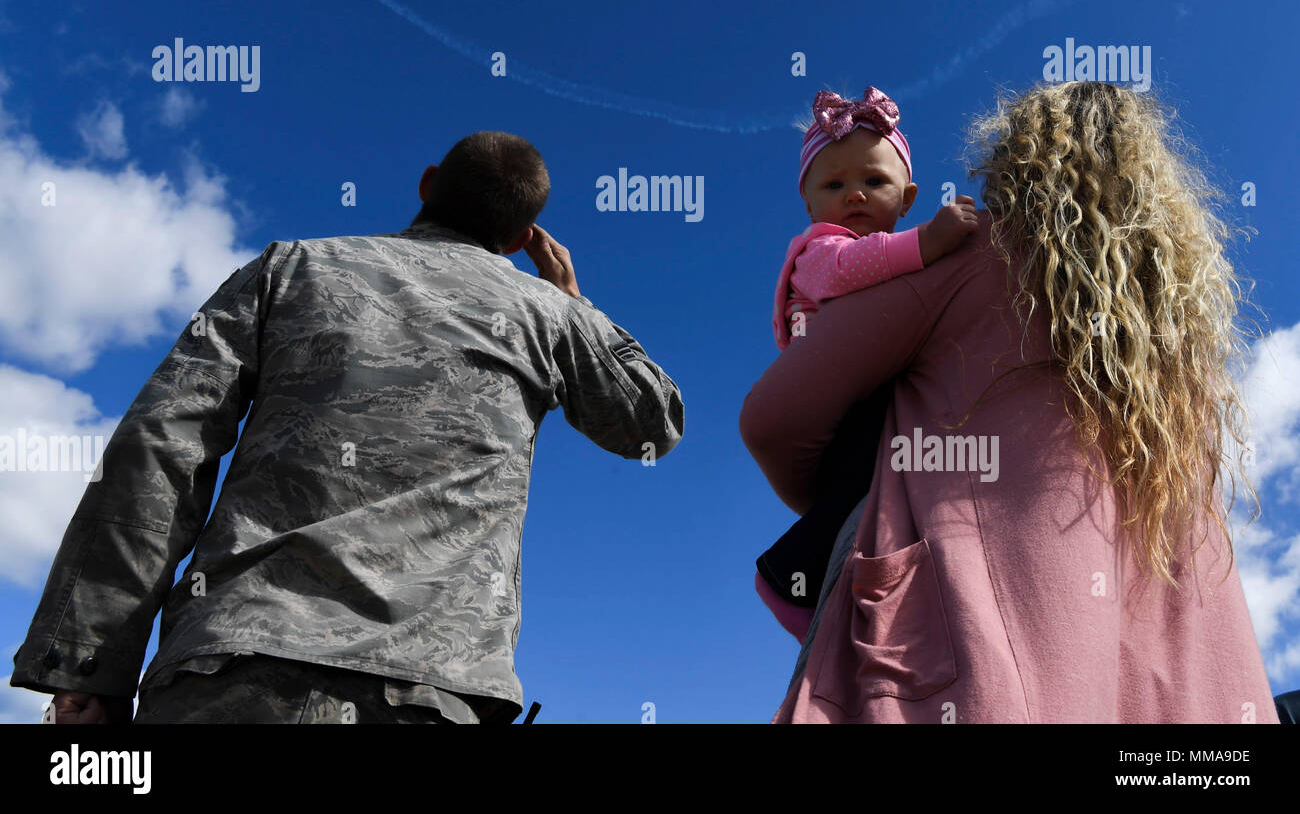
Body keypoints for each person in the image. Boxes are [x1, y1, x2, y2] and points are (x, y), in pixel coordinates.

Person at [13, 130, 684, 724]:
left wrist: (85, 670)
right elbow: (653, 420)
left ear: (426, 185)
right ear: (518, 239)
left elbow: (158, 443)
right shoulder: (545, 314)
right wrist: (573, 304)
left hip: (228, 671)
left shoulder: (289, 267)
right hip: (432, 693)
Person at [740, 81, 1277, 722]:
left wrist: (854, 497)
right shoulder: (1179, 356)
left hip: (985, 673)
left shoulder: (976, 256)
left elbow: (773, 418)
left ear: (1022, 157)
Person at [755, 86, 978, 642]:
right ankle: (787, 575)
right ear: (808, 202)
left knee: (882, 496)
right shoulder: (819, 249)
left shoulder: (889, 264)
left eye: (874, 181)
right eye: (833, 185)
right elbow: (848, 271)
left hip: (865, 398)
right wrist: (929, 241)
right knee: (866, 482)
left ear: (907, 196)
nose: (854, 194)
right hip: (842, 408)